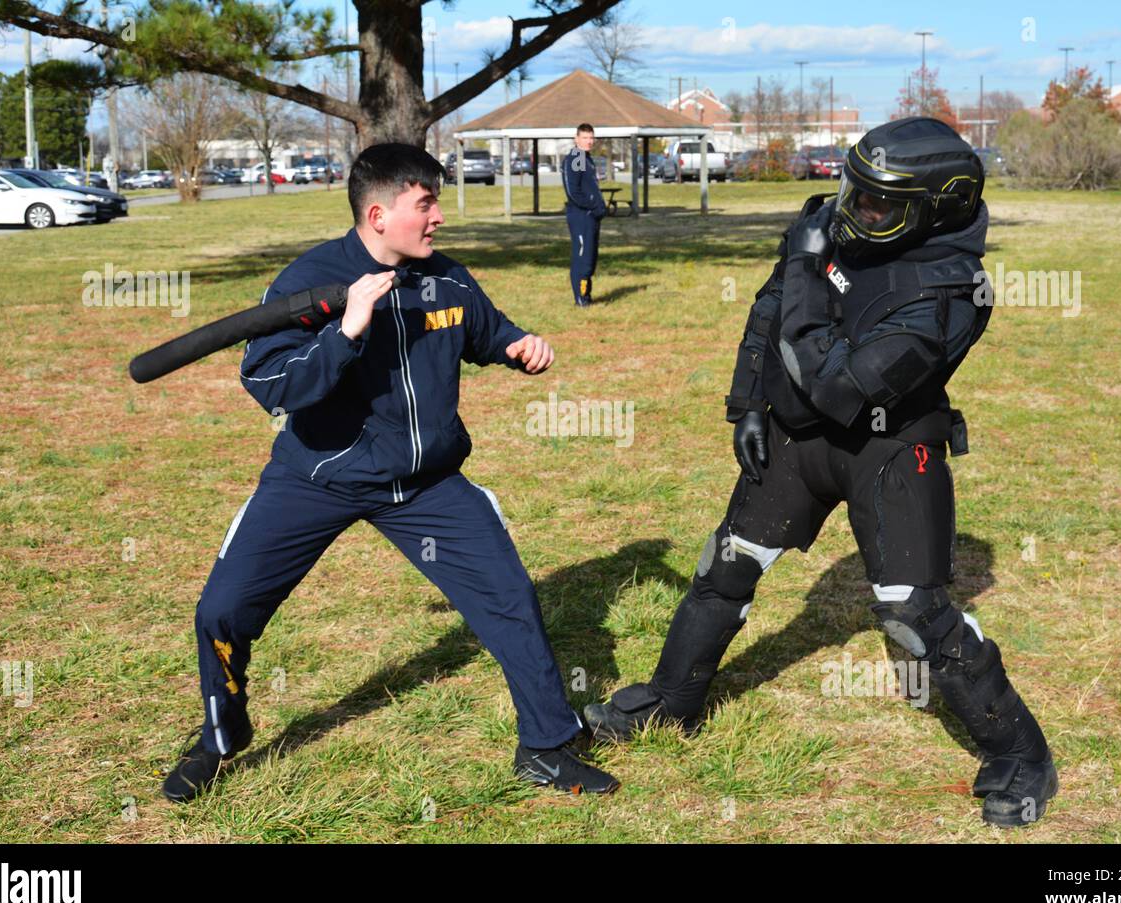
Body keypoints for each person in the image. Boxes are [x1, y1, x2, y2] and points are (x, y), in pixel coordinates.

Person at [584, 117, 1057, 827]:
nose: (851, 212)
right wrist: (747, 403)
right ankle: (672, 701)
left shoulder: (955, 295)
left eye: (875, 203)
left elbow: (835, 385)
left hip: (889, 450)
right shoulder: (832, 226)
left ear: (935, 209)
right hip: (797, 437)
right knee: (725, 566)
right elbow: (771, 307)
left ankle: (1022, 754)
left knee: (912, 613)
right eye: (851, 190)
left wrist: (806, 265)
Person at [162, 143, 619, 802]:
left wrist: (520, 346)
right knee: (223, 609)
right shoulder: (307, 280)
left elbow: (488, 333)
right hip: (318, 475)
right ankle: (219, 735)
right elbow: (270, 383)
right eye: (425, 203)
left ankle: (546, 746)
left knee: (509, 597)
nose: (438, 216)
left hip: (425, 482)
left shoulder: (448, 277)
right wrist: (344, 333)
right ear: (378, 214)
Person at [561, 123, 606, 306]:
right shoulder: (577, 157)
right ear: (576, 138)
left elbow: (588, 185)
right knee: (583, 258)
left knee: (591, 257)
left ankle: (586, 296)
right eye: (585, 138)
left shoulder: (586, 158)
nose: (589, 141)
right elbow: (574, 191)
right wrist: (592, 206)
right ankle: (581, 299)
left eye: (591, 138)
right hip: (581, 216)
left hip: (591, 216)